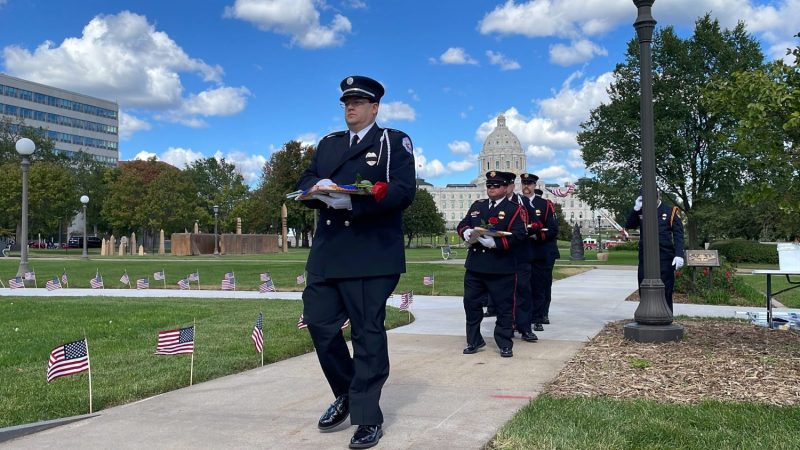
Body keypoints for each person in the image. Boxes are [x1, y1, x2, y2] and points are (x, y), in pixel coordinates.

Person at [296, 75, 416, 449]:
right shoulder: (329, 143)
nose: (351, 107)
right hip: (329, 252)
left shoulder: (391, 142)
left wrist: (355, 198)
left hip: (370, 253)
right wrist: (316, 191)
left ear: (374, 107)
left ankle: (367, 417)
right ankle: (348, 391)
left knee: (367, 334)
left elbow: (402, 190)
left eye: (359, 102)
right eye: (347, 101)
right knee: (319, 325)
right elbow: (307, 178)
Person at [457, 171, 528, 357]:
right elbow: (463, 224)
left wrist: (496, 244)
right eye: (489, 186)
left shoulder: (514, 209)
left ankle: (504, 342)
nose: (492, 189)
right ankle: (473, 340)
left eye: (496, 186)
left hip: (500, 266)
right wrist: (465, 232)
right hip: (475, 265)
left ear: (505, 188)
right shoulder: (477, 206)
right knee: (471, 305)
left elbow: (520, 235)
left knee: (504, 308)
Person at [624, 190, 684, 311]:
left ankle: (666, 314)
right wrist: (635, 209)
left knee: (665, 288)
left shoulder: (670, 211)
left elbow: (678, 234)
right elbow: (629, 225)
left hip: (665, 256)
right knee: (643, 285)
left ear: (658, 197)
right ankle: (646, 313)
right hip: (646, 255)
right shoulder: (641, 210)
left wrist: (679, 254)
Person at [521, 175, 560, 331]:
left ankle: (542, 314)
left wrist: (536, 235)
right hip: (525, 251)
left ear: (534, 185)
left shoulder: (545, 205)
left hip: (543, 251)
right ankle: (528, 315)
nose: (526, 186)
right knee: (526, 286)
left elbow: (553, 229)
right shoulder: (516, 203)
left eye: (529, 183)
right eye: (524, 183)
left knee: (542, 284)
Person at [503, 172, 538, 342]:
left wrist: (525, 229)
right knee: (504, 293)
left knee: (523, 291)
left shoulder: (523, 202)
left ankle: (525, 327)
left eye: (508, 184)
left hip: (521, 253)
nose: (505, 188)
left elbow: (536, 223)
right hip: (502, 254)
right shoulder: (494, 205)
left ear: (512, 186)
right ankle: (507, 325)